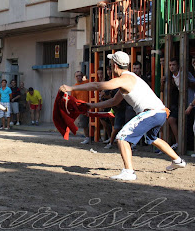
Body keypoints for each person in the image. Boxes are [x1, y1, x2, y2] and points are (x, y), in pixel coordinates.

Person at [60, 51, 186, 181]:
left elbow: (98, 85)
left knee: (122, 137)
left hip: (151, 113)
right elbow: (113, 102)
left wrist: (71, 88)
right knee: (152, 138)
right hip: (159, 112)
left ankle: (129, 172)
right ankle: (178, 161)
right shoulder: (129, 79)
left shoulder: (124, 79)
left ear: (115, 65)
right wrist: (90, 106)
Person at [71, 71, 90, 144]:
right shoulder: (74, 87)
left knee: (93, 122)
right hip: (82, 107)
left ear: (82, 76)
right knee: (84, 124)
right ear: (75, 77)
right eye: (77, 76)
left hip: (91, 105)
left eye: (80, 75)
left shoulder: (87, 83)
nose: (78, 77)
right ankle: (87, 137)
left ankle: (96, 137)